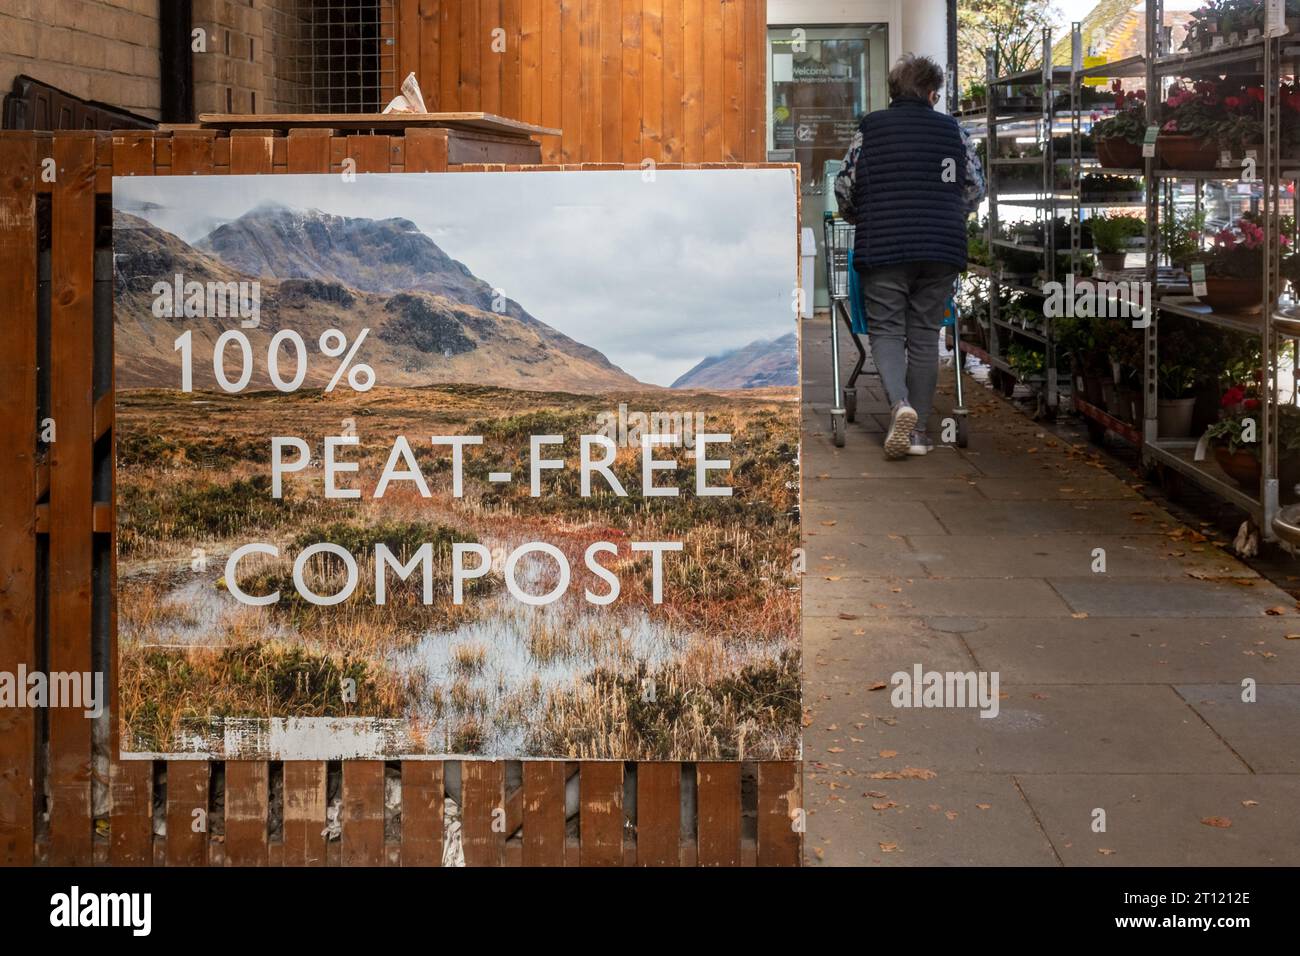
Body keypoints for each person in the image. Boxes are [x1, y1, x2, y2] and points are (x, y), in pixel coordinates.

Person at [834, 54, 985, 459]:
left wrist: (862, 215)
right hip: (940, 248)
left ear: (894, 91)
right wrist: (945, 211)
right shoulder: (953, 132)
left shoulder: (871, 129)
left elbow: (846, 187)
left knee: (885, 330)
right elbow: (973, 187)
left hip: (884, 246)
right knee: (923, 335)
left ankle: (898, 404)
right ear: (932, 93)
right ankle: (917, 432)